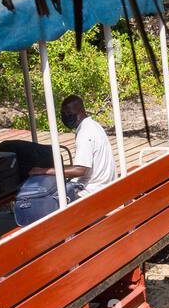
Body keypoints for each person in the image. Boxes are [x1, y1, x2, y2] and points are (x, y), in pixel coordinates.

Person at [12, 96, 116, 225]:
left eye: (70, 113)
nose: (66, 117)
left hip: (92, 191)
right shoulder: (94, 126)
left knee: (42, 205)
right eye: (64, 114)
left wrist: (44, 171)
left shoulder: (85, 134)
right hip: (105, 186)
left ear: (81, 111)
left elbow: (80, 170)